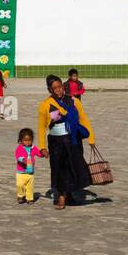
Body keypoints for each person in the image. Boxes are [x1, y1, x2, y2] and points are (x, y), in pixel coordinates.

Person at [37, 74, 94, 210]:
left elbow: (83, 119)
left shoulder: (74, 101)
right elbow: (41, 127)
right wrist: (42, 146)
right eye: (54, 88)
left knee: (72, 167)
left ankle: (69, 194)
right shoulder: (45, 105)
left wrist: (91, 138)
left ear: (63, 86)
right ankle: (61, 196)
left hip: (72, 140)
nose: (58, 90)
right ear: (50, 90)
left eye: (59, 86)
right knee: (59, 168)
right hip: (56, 141)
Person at [15, 127, 43, 205]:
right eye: (25, 140)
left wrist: (43, 153)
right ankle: (20, 195)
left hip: (30, 172)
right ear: (21, 140)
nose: (27, 142)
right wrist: (22, 159)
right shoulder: (19, 148)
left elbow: (39, 154)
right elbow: (17, 156)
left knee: (30, 187)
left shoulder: (33, 148)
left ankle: (29, 198)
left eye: (29, 140)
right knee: (20, 185)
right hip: (21, 172)